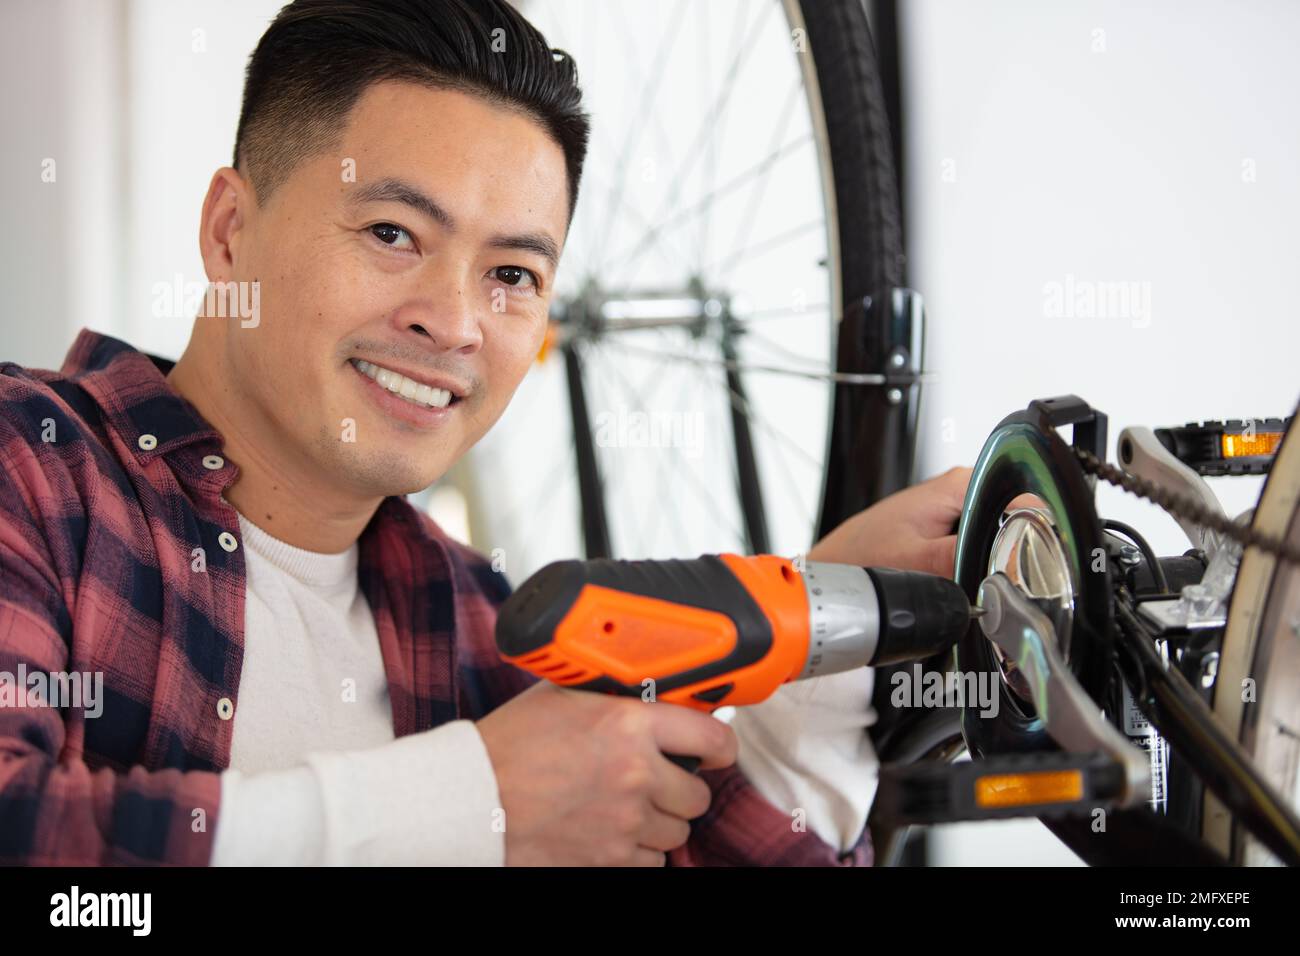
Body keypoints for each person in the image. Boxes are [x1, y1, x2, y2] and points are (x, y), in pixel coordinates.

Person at [0, 0, 972, 866]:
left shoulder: (470, 614)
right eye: (391, 232)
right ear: (227, 232)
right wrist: (474, 802)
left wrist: (827, 621)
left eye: (511, 275)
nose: (455, 322)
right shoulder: (31, 472)